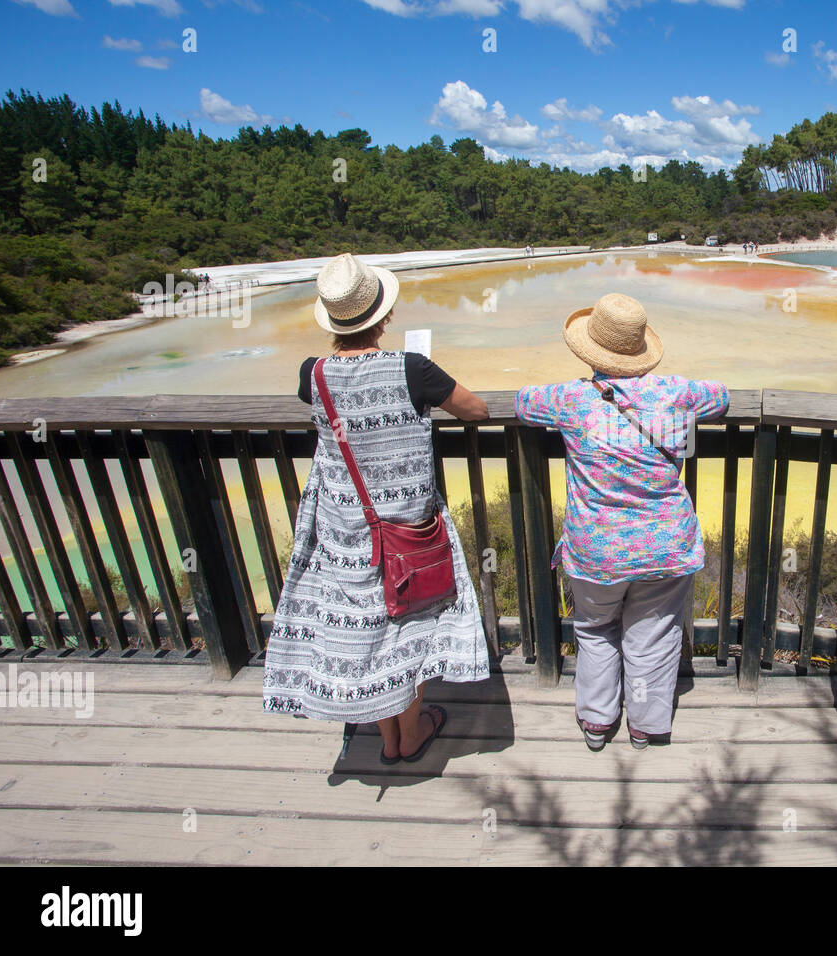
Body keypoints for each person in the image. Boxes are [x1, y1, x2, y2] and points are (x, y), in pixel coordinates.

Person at [262, 253, 491, 765]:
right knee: (403, 625)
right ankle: (408, 738)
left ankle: (388, 736)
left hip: (343, 530)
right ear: (382, 316)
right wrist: (421, 394)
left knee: (367, 625)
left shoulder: (313, 373)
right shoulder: (412, 368)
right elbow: (478, 409)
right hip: (407, 529)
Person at [515, 293, 729, 751]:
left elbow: (522, 403)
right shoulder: (675, 393)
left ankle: (597, 720)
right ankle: (646, 726)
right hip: (664, 545)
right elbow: (723, 397)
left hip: (596, 549)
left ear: (589, 349)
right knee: (652, 634)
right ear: (640, 349)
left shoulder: (570, 399)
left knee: (594, 629)